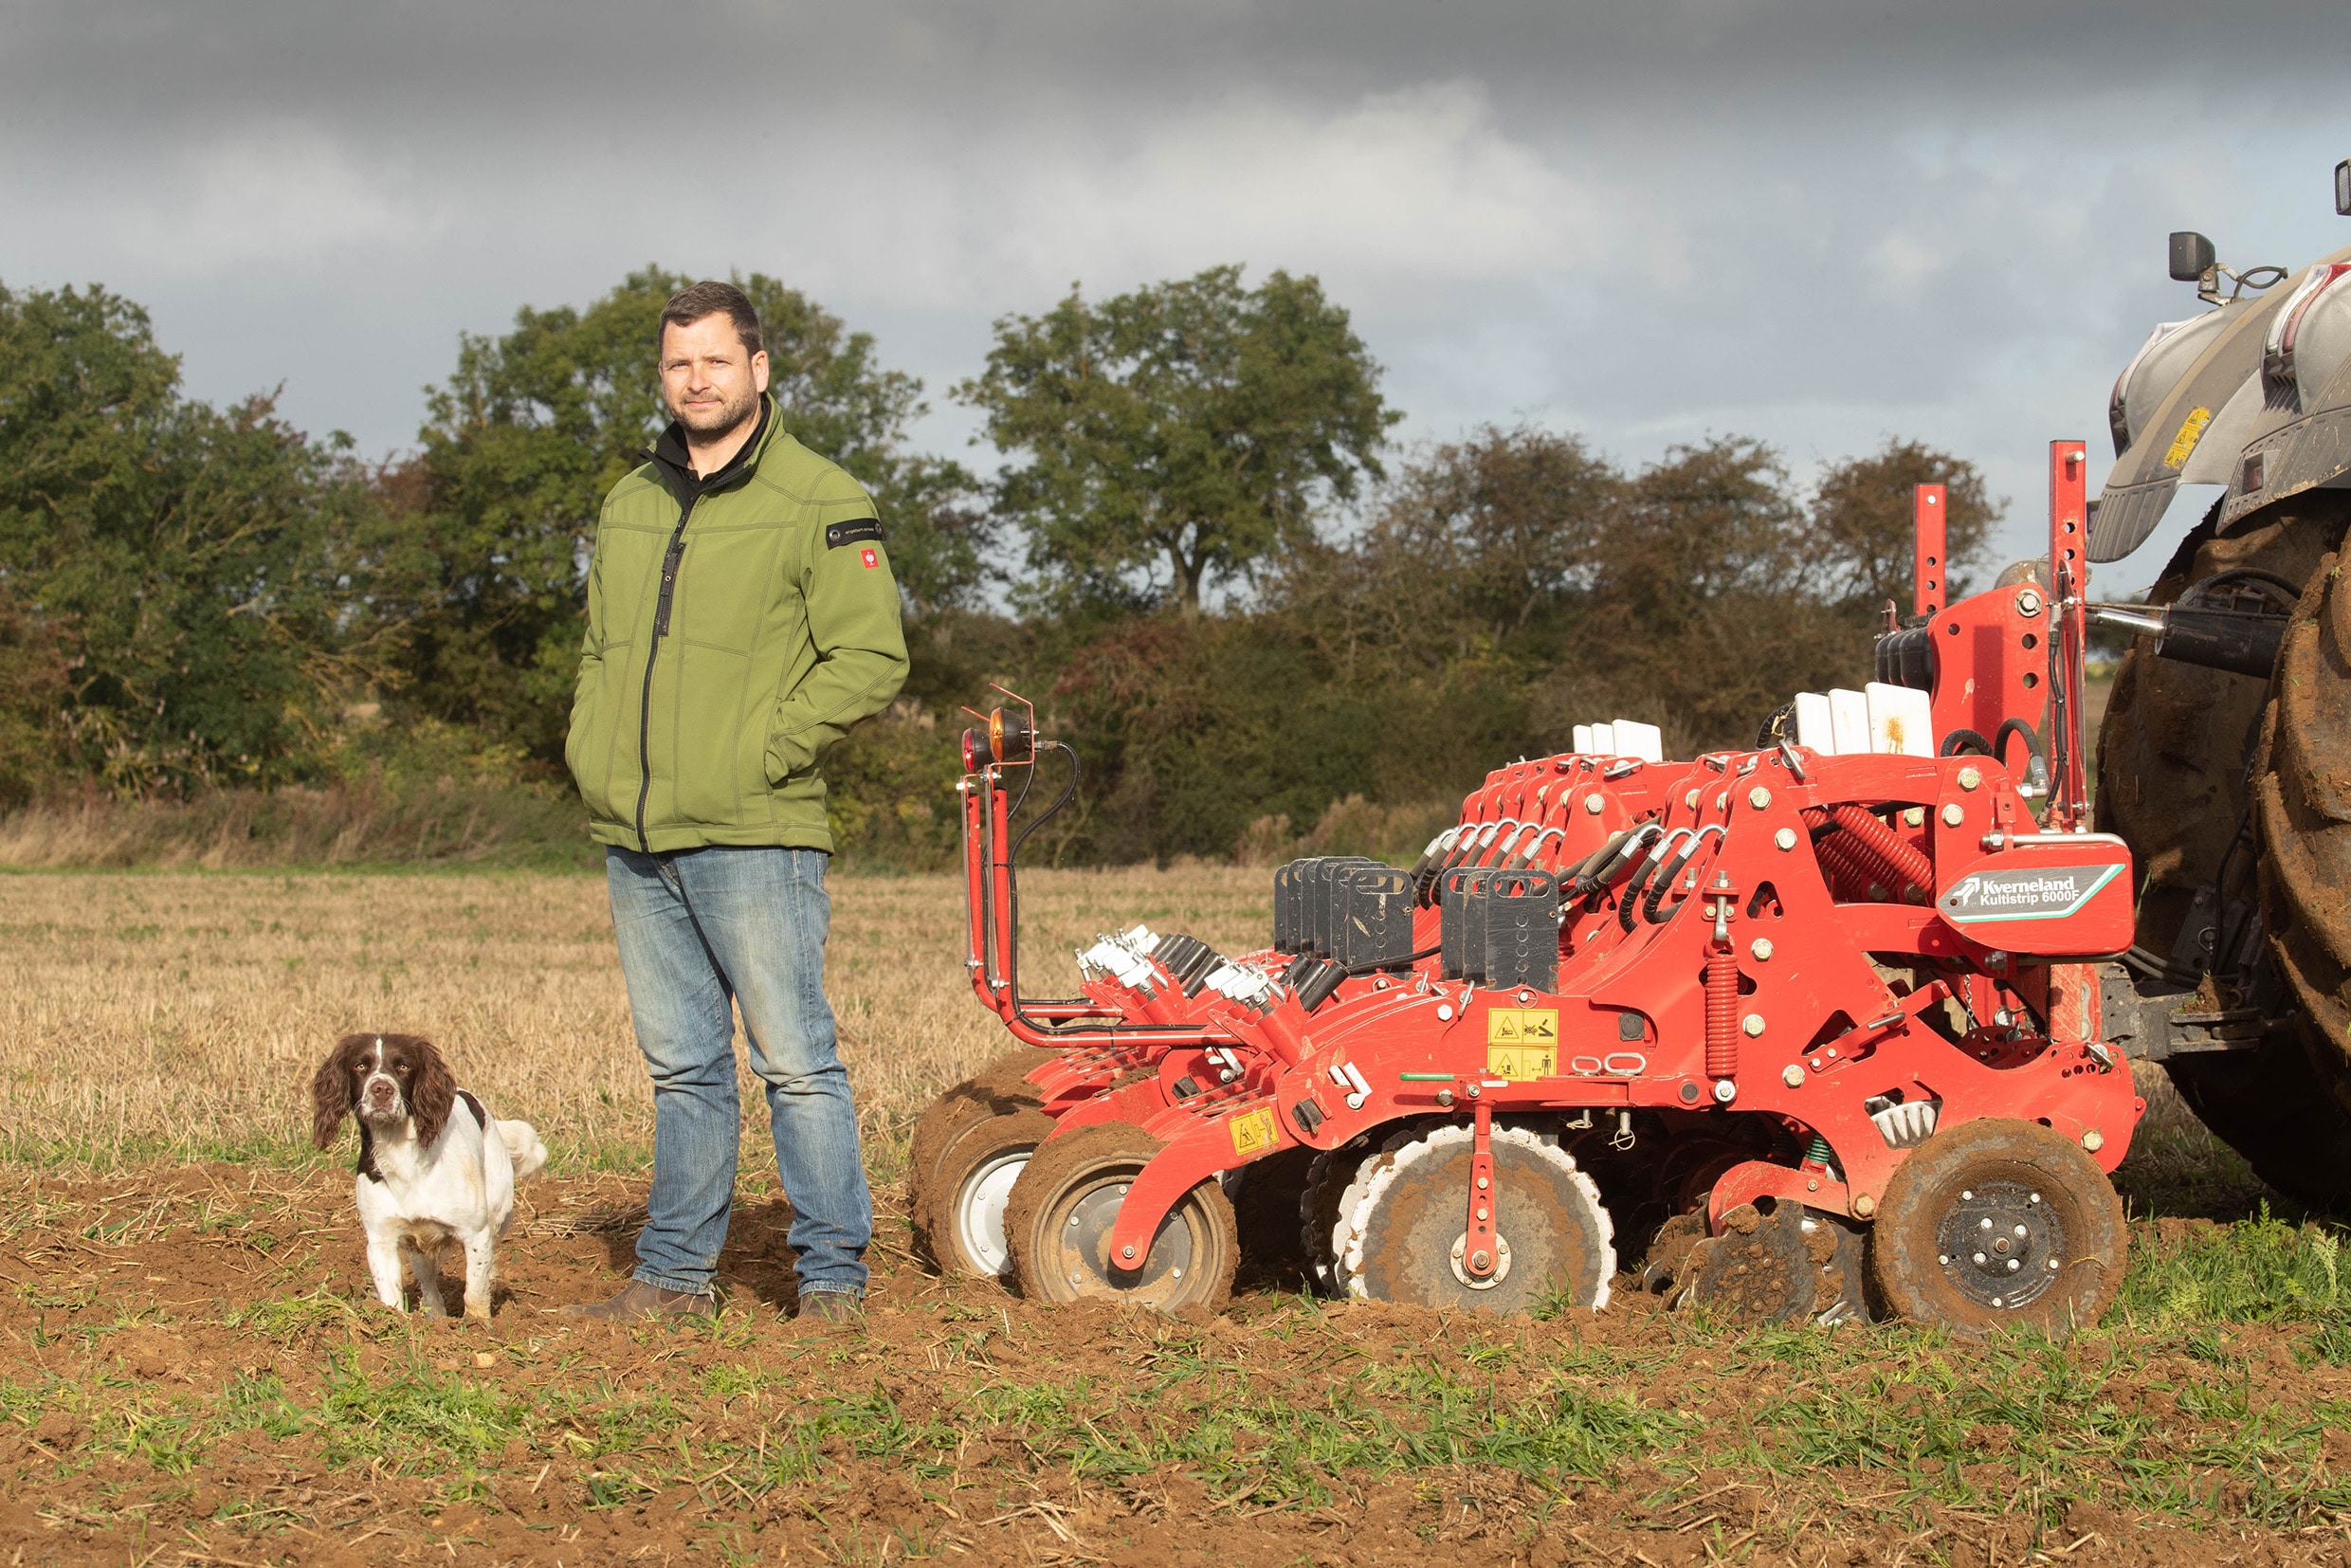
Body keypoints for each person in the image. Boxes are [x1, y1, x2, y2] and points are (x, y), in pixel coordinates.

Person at [561, 281, 907, 1322]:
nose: (695, 380)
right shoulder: (629, 500)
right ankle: (672, 1280)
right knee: (681, 1068)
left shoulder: (821, 497)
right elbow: (598, 650)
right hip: (635, 832)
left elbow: (870, 657)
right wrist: (590, 751)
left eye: (715, 360)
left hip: (755, 830)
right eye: (678, 364)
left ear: (758, 370)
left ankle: (832, 1282)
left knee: (795, 1062)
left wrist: (766, 750)